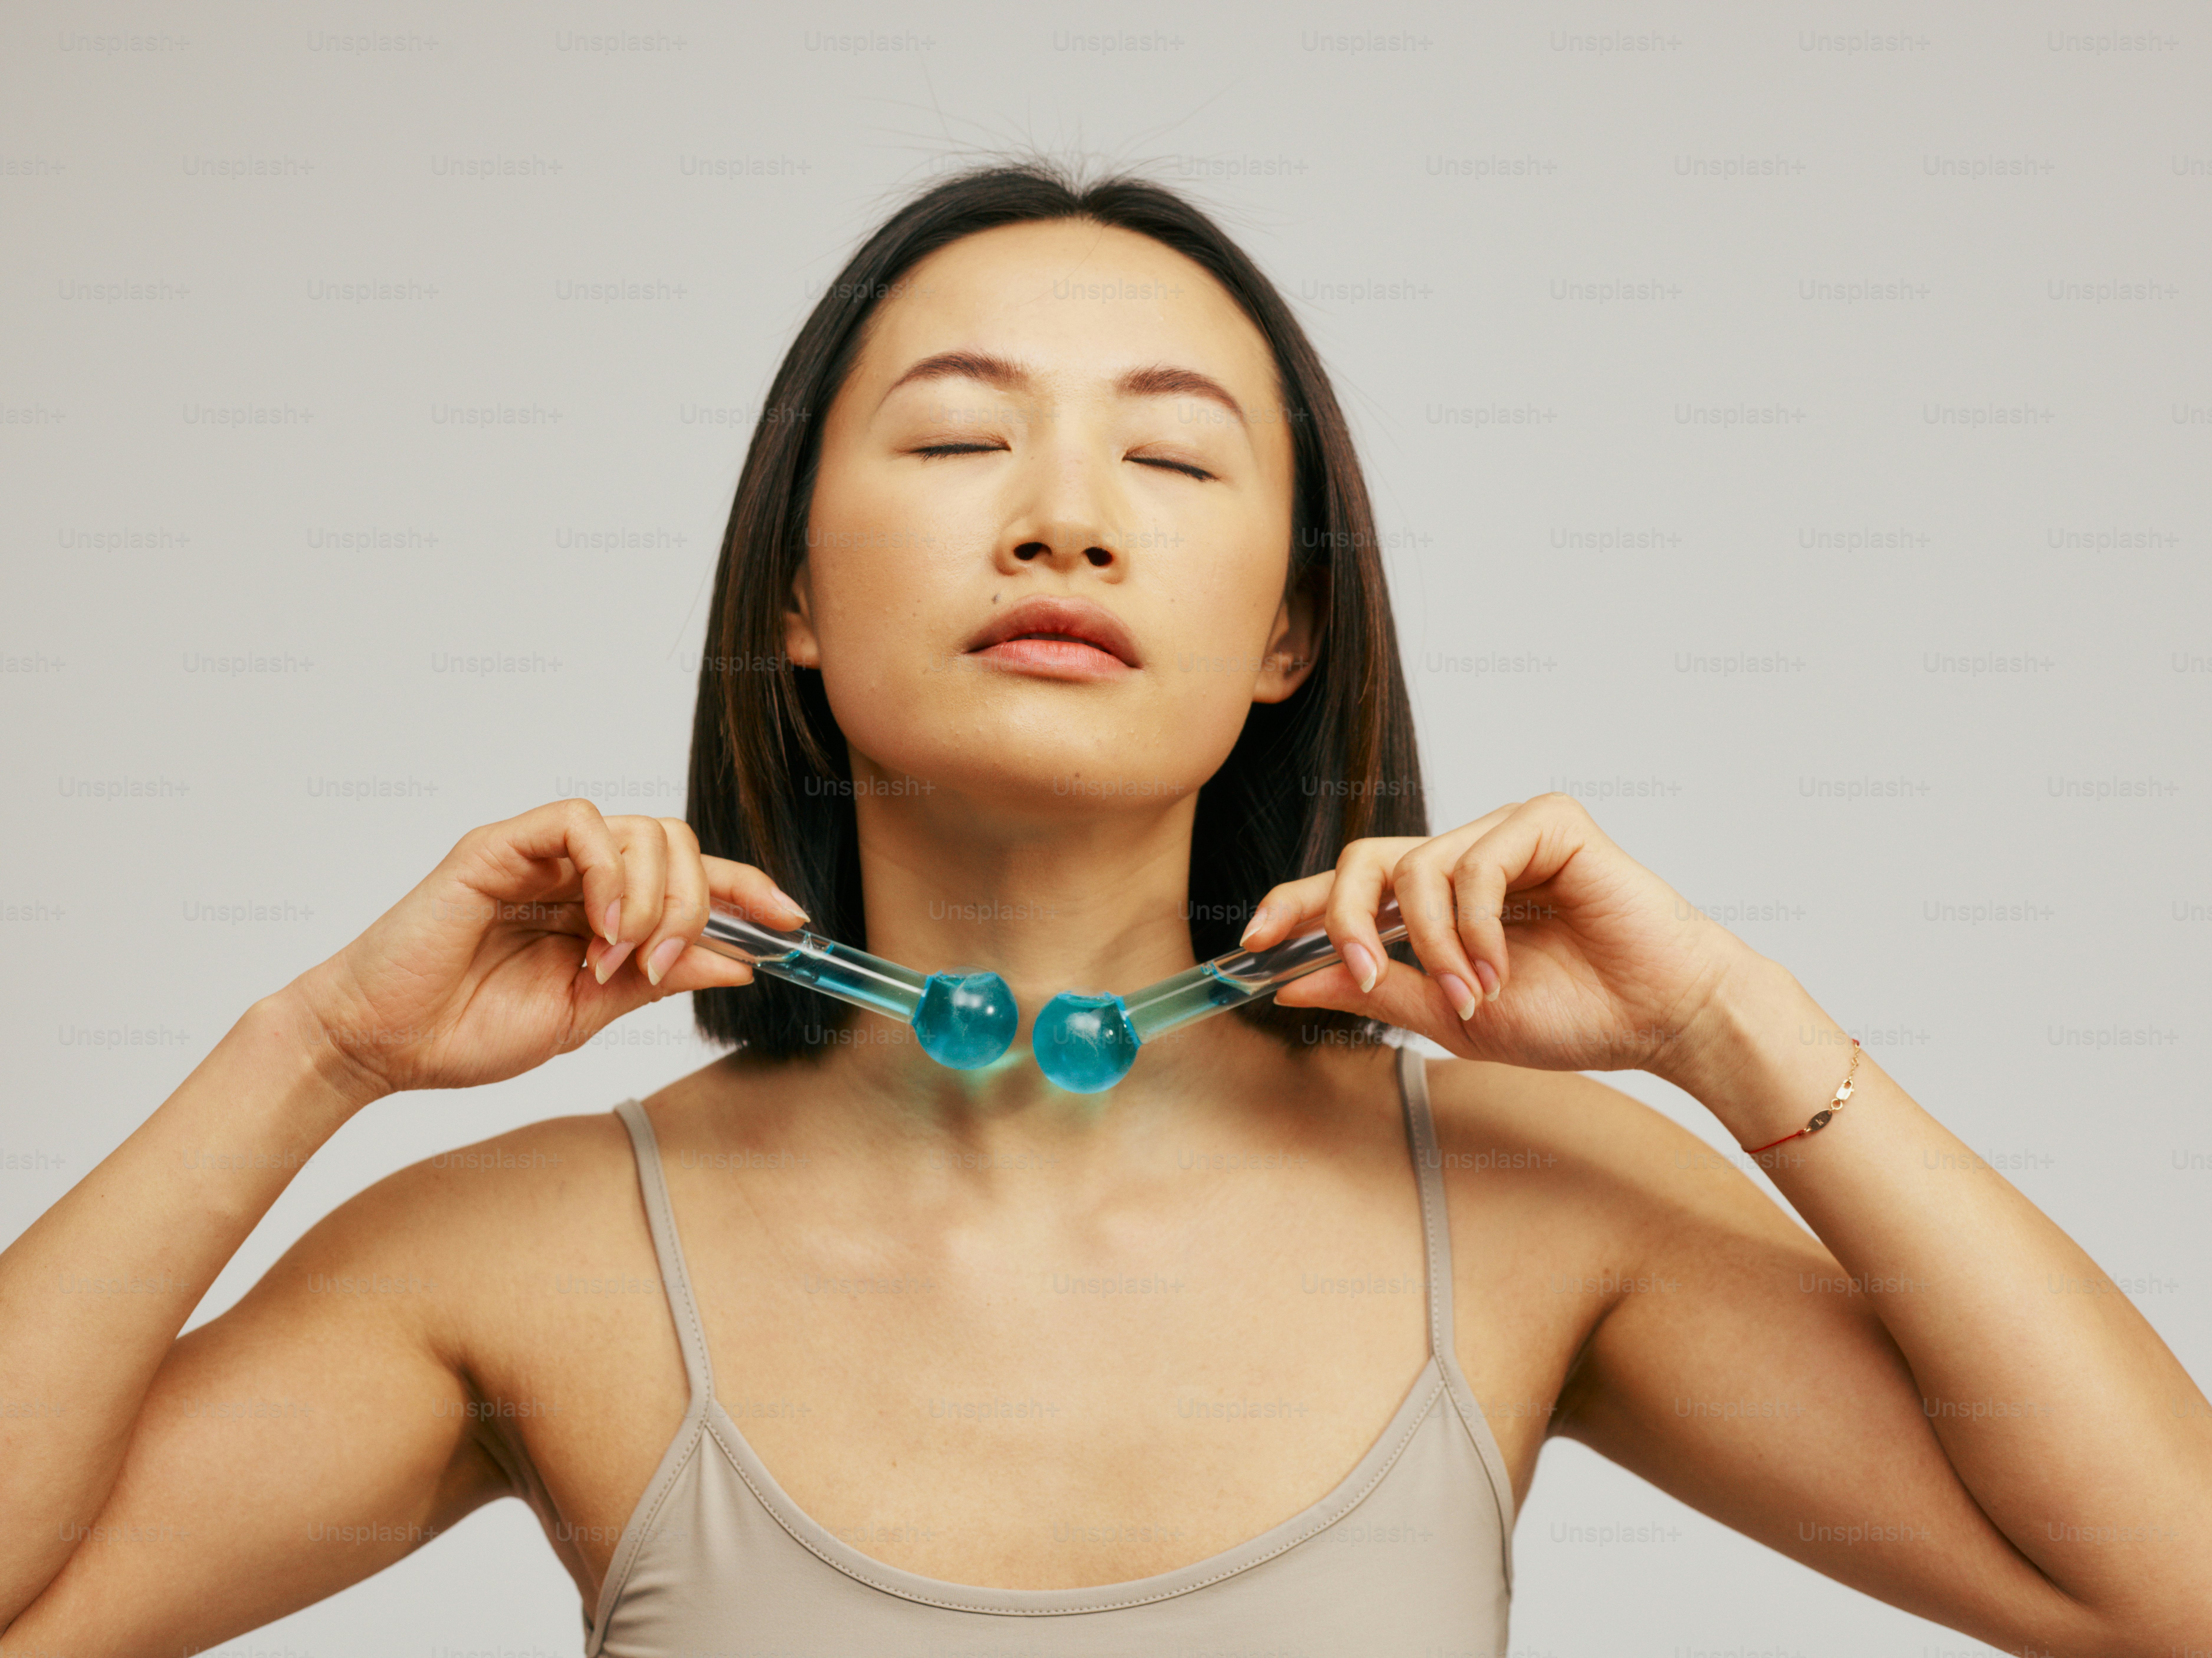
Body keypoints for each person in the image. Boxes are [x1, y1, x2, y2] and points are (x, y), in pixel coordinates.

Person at [3, 160, 2204, 1657]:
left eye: (1170, 459)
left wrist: (1721, 1019)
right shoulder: (531, 1253)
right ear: (792, 589)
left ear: (1288, 635)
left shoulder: (1530, 1197)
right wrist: (317, 1051)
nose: (1063, 522)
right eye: (958, 443)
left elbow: (2165, 1589)